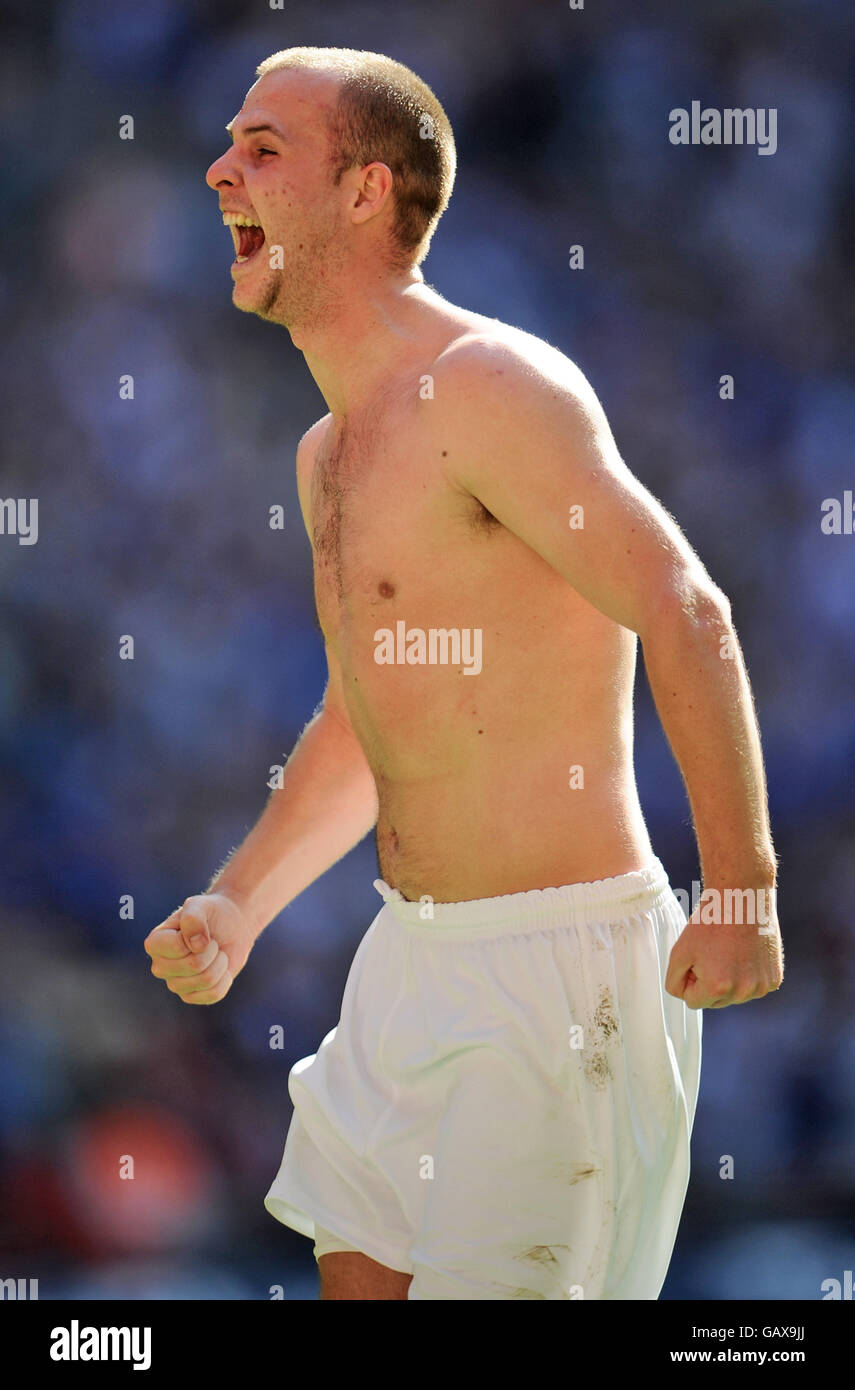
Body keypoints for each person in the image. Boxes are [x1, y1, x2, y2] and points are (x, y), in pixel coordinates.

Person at [144, 47, 783, 1301]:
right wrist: (241, 901)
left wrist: (744, 884)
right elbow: (361, 719)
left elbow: (685, 607)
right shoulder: (324, 451)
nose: (220, 169)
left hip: (562, 969)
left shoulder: (492, 385)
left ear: (367, 192)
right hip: (409, 963)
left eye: (265, 149)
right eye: (228, 143)